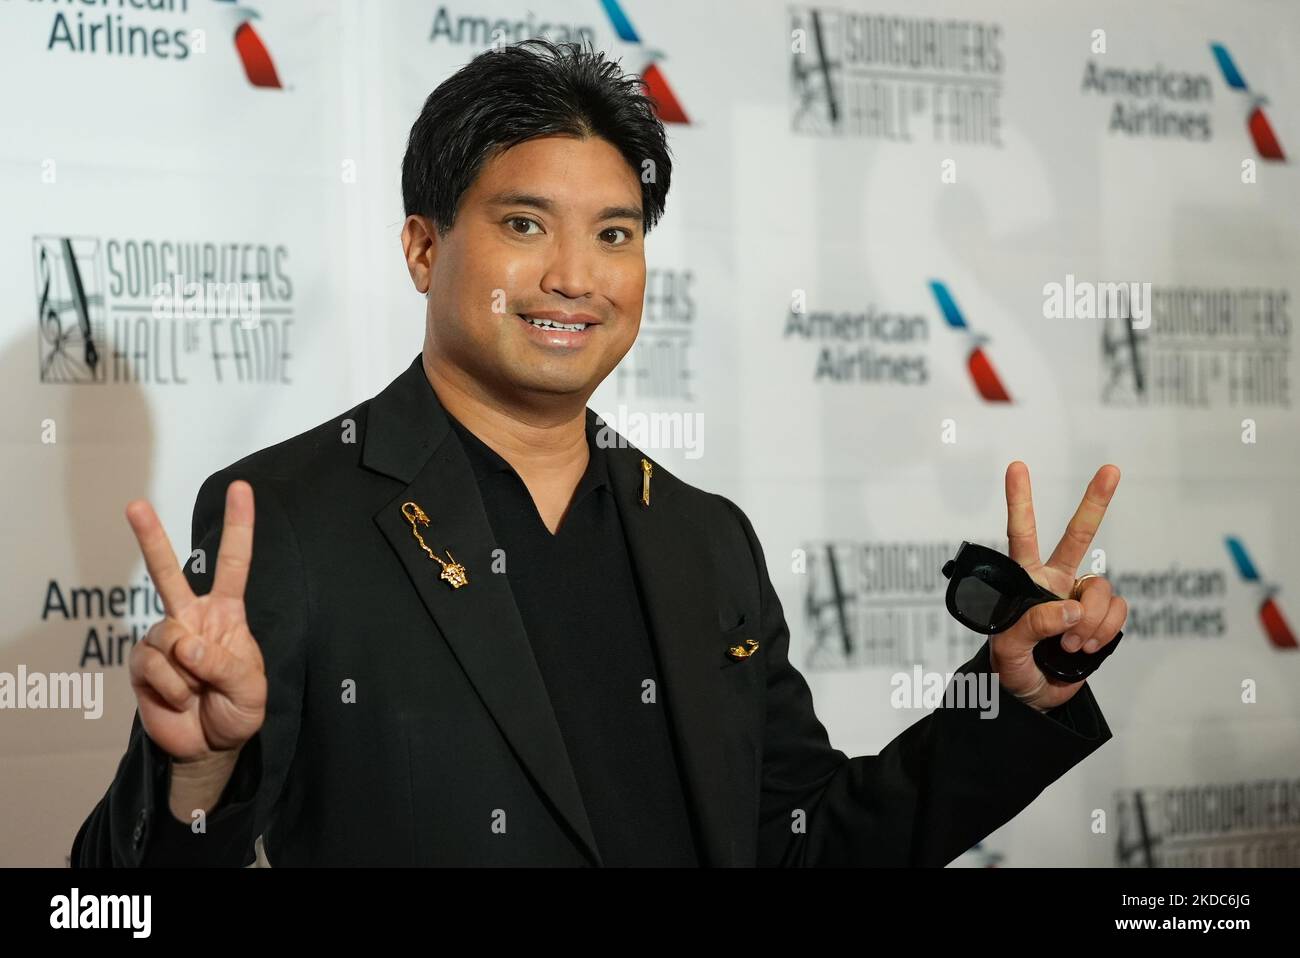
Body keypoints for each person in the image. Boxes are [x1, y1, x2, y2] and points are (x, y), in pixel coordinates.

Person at [72, 38, 1126, 867]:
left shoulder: (706, 536)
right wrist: (199, 777)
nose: (577, 275)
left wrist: (1007, 699)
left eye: (616, 234)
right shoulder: (291, 517)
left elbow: (802, 843)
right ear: (424, 247)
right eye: (526, 224)